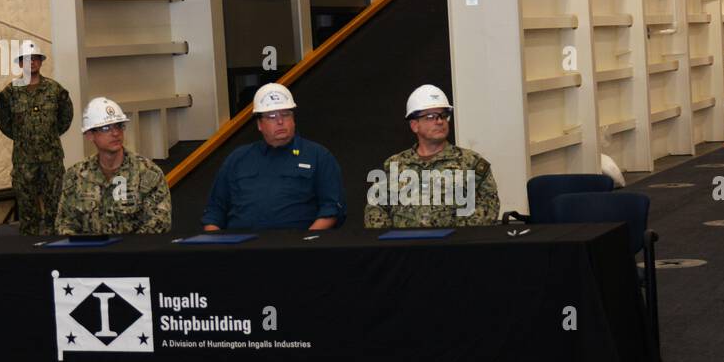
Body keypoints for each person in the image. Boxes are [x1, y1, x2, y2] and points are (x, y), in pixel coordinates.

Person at [203, 83, 345, 231]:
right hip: (241, 247)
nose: (280, 121)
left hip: (297, 246)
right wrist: (219, 248)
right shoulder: (238, 159)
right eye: (271, 116)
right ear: (259, 124)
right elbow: (214, 213)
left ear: (293, 119)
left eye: (285, 114)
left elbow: (331, 210)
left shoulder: (318, 156)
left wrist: (304, 243)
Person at [364, 84, 499, 228]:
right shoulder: (393, 165)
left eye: (443, 115)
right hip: (403, 247)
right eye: (431, 117)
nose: (440, 121)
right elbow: (375, 208)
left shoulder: (472, 162)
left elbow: (488, 206)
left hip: (455, 246)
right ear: (414, 125)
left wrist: (455, 238)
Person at [54, 97, 171, 235]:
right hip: (88, 253)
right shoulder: (75, 175)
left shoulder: (148, 172)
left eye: (119, 126)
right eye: (106, 128)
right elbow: (64, 224)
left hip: (135, 253)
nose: (115, 133)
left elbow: (159, 223)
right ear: (90, 135)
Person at [0, 41, 72, 235]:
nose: (31, 63)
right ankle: (29, 244)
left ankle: (55, 242)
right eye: (26, 59)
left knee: (54, 205)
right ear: (20, 63)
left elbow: (65, 117)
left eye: (35, 59)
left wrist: (49, 136)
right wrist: (23, 137)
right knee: (27, 207)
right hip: (24, 159)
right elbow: (2, 120)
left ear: (41, 62)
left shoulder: (55, 90)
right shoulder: (10, 92)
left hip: (51, 158)